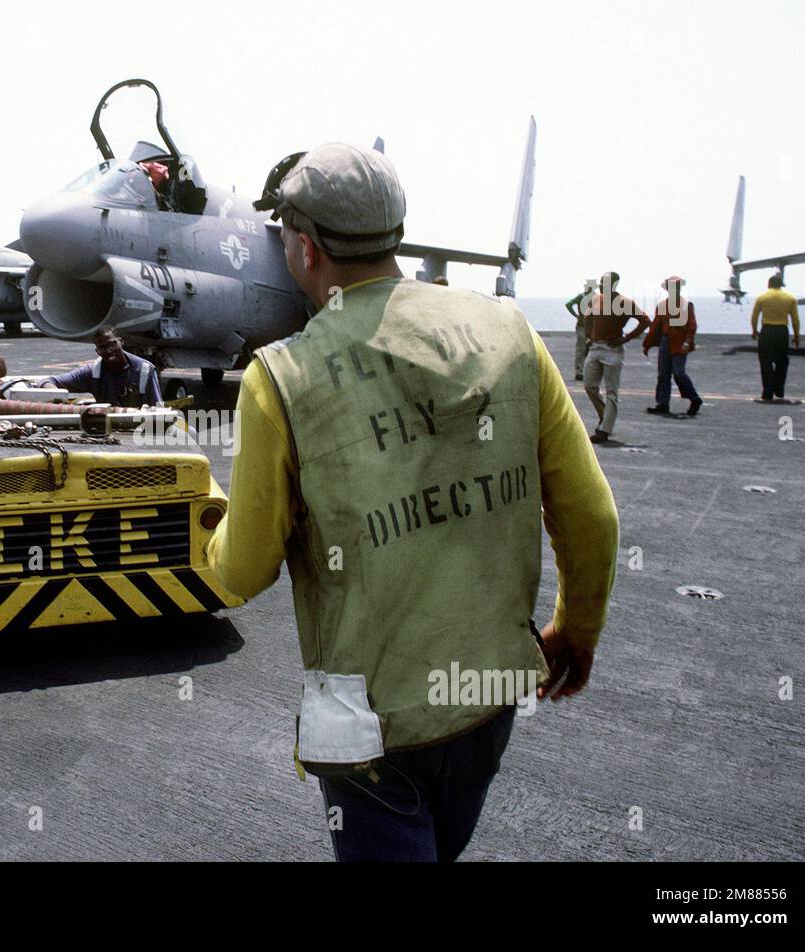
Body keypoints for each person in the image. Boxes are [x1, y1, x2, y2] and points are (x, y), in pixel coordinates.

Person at [208, 142, 619, 862]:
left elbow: (241, 574)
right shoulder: (510, 330)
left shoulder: (278, 378)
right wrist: (573, 630)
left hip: (363, 730)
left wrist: (206, 524)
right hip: (489, 698)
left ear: (304, 249)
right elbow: (592, 517)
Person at [581, 272, 650, 443]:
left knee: (611, 391)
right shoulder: (595, 300)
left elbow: (645, 320)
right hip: (595, 348)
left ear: (614, 284)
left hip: (613, 350)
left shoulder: (625, 303)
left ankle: (604, 430)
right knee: (589, 386)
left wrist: (626, 338)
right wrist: (588, 337)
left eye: (605, 282)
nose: (602, 285)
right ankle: (605, 417)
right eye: (601, 282)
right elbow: (586, 318)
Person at [41, 327, 163, 407]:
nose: (108, 352)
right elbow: (48, 381)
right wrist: (58, 397)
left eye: (111, 345)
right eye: (102, 348)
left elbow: (158, 409)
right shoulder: (93, 372)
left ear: (121, 342)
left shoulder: (144, 371)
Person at [642, 276, 702, 416]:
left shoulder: (686, 305)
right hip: (665, 341)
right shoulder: (662, 305)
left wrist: (687, 342)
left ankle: (694, 399)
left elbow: (691, 326)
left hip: (679, 342)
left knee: (679, 373)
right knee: (663, 374)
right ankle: (662, 403)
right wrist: (647, 344)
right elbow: (656, 326)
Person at [750, 274, 801, 402]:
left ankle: (767, 392)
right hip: (782, 330)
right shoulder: (790, 298)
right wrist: (796, 336)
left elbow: (754, 316)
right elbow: (795, 320)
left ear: (769, 284)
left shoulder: (762, 297)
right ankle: (779, 390)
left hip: (767, 330)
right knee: (782, 362)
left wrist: (754, 331)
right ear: (781, 285)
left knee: (765, 362)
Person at [564, 279, 597, 381]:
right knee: (584, 349)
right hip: (586, 326)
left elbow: (569, 304)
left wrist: (576, 315)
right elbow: (568, 304)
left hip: (586, 326)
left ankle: (582, 371)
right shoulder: (596, 297)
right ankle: (580, 371)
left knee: (584, 350)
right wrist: (576, 315)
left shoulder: (584, 297)